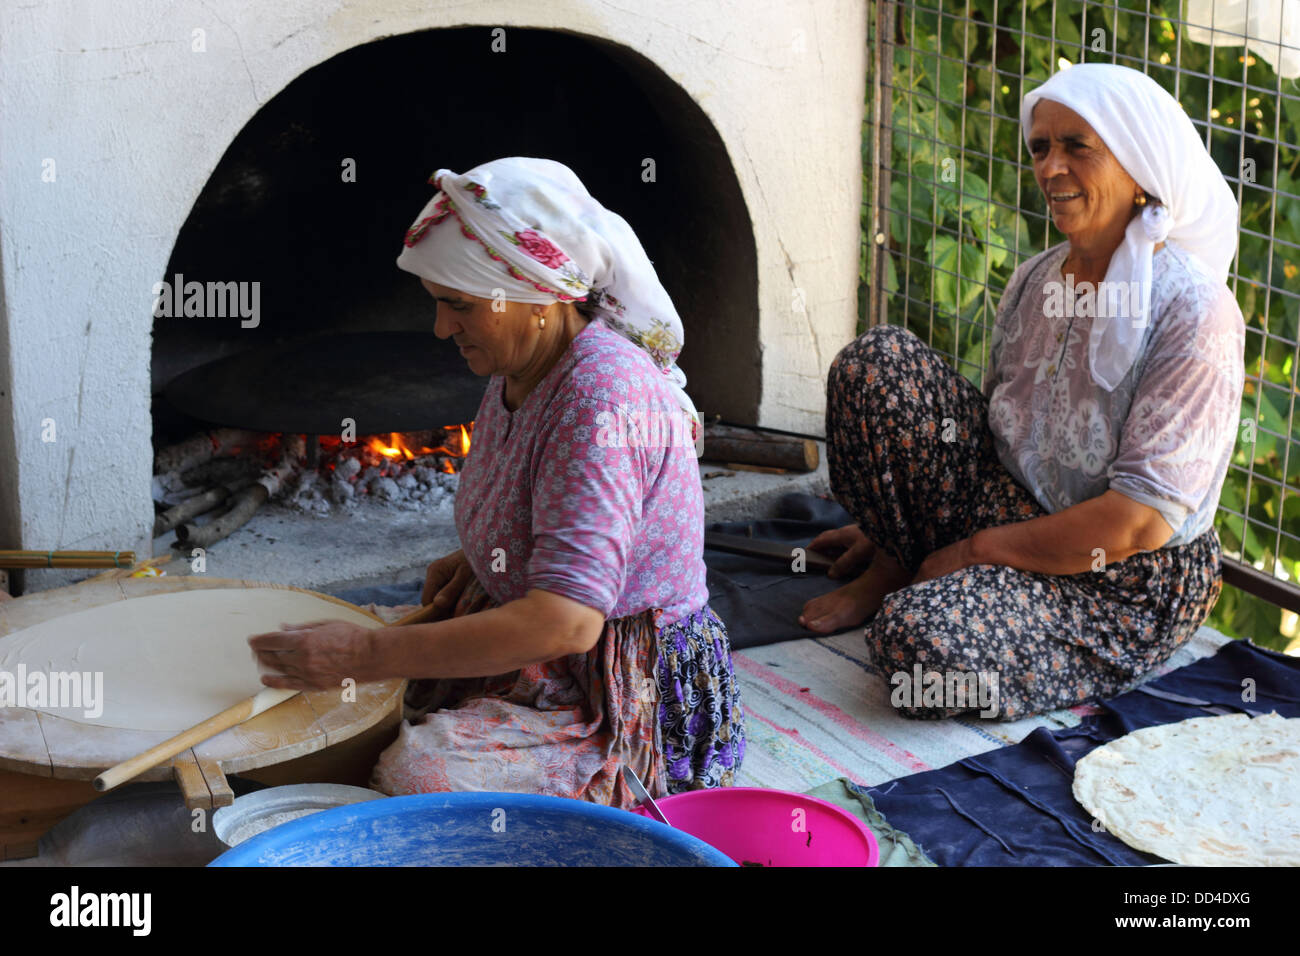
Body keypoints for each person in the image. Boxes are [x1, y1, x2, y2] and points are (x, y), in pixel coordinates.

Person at [249, 157, 743, 806]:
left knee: (415, 773)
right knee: (324, 678)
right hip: (544, 632)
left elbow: (568, 624)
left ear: (534, 298)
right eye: (438, 304)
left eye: (458, 306)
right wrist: (483, 557)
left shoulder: (602, 396)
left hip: (619, 685)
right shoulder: (521, 365)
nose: (440, 328)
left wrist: (365, 656)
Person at [800, 63, 1244, 720]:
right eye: (1041, 147)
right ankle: (895, 566)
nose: (1050, 167)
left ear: (1140, 166)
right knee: (877, 363)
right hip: (1012, 507)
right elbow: (987, 430)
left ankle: (1048, 629)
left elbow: (1138, 522)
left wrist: (975, 551)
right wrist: (892, 526)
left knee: (921, 647)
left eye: (1076, 146)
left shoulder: (1193, 311)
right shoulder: (1038, 278)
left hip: (1119, 577)